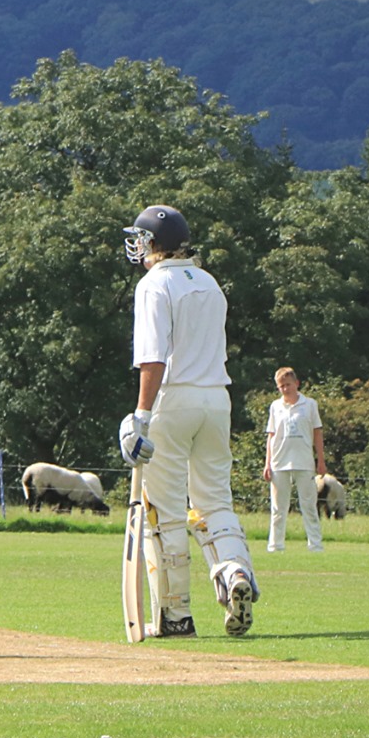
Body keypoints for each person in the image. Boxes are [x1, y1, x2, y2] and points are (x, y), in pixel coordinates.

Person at [118, 204, 260, 637]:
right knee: (214, 503)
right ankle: (234, 570)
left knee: (163, 512)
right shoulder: (209, 282)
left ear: (153, 244)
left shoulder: (153, 285)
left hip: (172, 401)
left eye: (141, 238)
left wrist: (141, 417)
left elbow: (153, 358)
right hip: (216, 399)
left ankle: (175, 616)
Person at [263, 366, 326, 552]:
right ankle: (275, 546)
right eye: (281, 386)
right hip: (279, 462)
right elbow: (271, 435)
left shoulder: (309, 405)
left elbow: (317, 432)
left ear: (296, 384)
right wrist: (267, 463)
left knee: (308, 506)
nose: (285, 389)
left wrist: (320, 460)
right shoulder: (275, 406)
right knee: (278, 508)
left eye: (288, 385)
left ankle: (315, 546)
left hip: (304, 461)